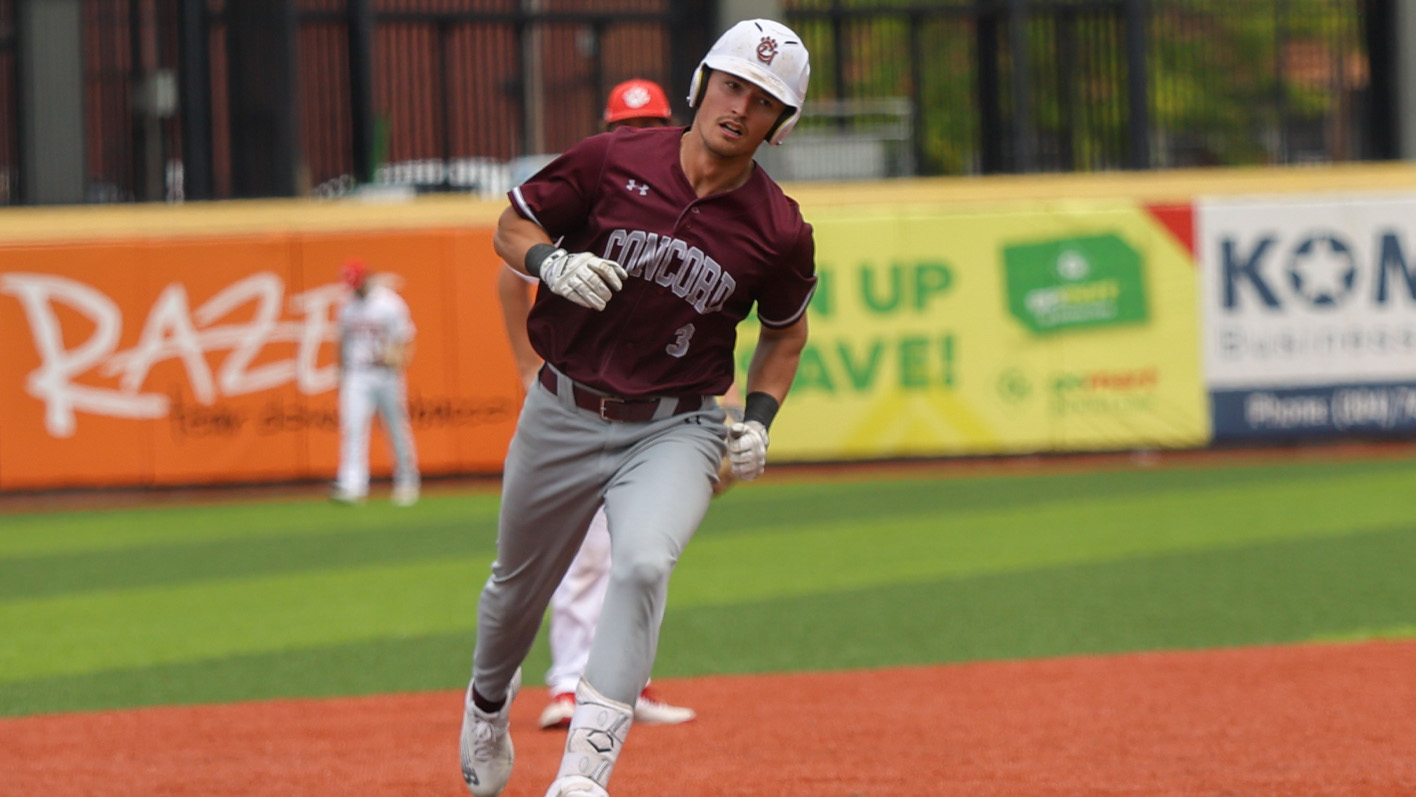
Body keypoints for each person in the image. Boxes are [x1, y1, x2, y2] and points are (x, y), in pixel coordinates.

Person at [460, 18, 814, 797]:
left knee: (645, 562)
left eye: (763, 100)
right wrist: (550, 262)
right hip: (563, 407)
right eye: (732, 86)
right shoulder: (610, 160)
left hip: (675, 425)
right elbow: (511, 226)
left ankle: (583, 774)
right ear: (702, 85)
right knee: (515, 590)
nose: (740, 107)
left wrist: (759, 419)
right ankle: (486, 709)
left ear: (780, 124)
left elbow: (786, 333)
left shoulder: (780, 229)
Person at [495, 77, 698, 732]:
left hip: (657, 406)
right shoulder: (592, 185)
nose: (638, 137)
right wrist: (527, 363)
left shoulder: (694, 198)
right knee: (583, 552)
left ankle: (626, 682)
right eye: (627, 127)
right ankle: (565, 685)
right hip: (580, 400)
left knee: (641, 553)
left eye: (650, 125)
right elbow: (510, 271)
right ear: (610, 130)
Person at [331, 259, 421, 507]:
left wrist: (399, 358)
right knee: (353, 427)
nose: (354, 288)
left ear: (367, 277)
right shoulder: (346, 307)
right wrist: (340, 377)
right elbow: (341, 344)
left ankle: (407, 481)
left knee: (396, 427)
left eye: (357, 282)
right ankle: (353, 484)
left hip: (386, 373)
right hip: (357, 373)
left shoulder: (389, 303)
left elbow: (406, 339)